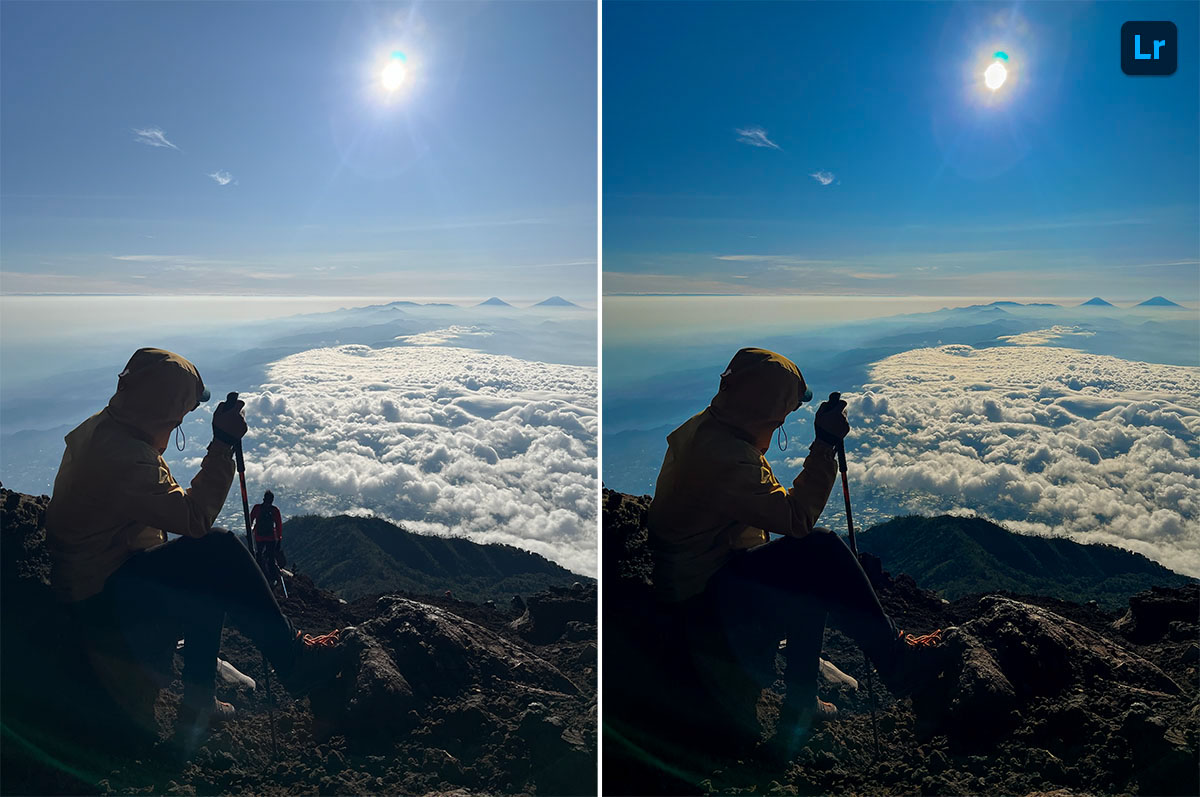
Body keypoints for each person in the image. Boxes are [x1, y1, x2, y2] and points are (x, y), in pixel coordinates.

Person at [647, 347, 945, 756]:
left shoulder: (714, 431)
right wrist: (823, 445)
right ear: (771, 410)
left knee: (804, 566)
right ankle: (895, 660)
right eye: (784, 410)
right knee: (818, 548)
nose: (785, 418)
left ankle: (801, 701)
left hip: (701, 583)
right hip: (702, 605)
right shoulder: (721, 456)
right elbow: (796, 519)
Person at [45, 348, 348, 749]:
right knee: (217, 548)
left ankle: (199, 703)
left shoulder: (107, 432)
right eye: (183, 412)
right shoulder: (123, 458)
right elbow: (194, 519)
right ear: (167, 411)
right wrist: (223, 443)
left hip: (94, 585)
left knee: (202, 566)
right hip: (102, 603)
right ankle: (294, 660)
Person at [251, 489, 284, 579]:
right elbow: (278, 525)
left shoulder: (257, 508)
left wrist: (251, 533)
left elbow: (250, 520)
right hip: (271, 538)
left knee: (259, 555)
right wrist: (279, 538)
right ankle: (273, 578)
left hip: (259, 537)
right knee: (271, 558)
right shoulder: (275, 510)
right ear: (272, 500)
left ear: (263, 499)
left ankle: (258, 575)